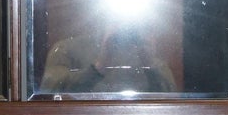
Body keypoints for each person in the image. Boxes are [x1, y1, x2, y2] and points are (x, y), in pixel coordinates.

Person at [40, 26, 176, 94]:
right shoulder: (67, 50)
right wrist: (99, 67)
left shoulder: (149, 58)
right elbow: (47, 95)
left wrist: (149, 64)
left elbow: (175, 107)